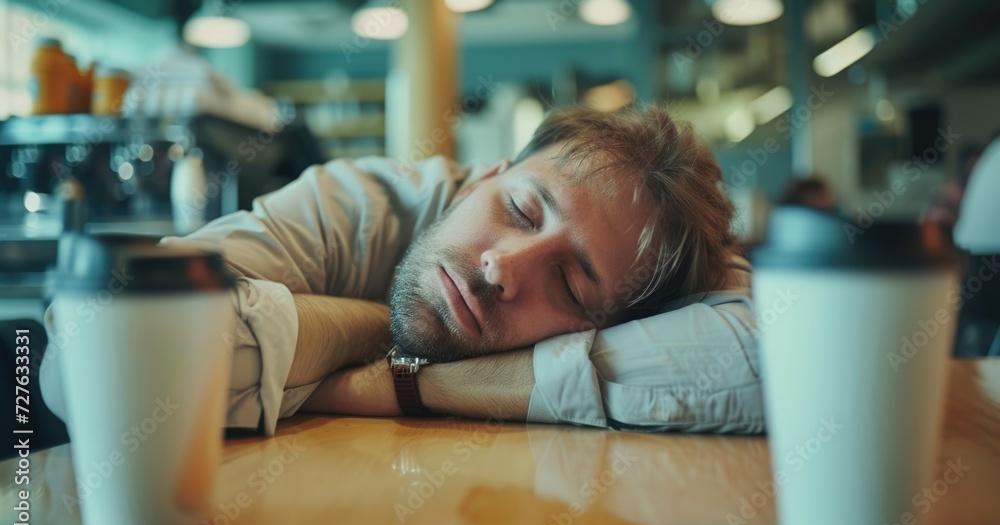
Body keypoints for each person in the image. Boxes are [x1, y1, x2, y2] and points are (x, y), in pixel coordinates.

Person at [39, 105, 763, 436]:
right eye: (519, 209)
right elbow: (97, 356)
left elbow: (771, 361)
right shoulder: (349, 206)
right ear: (486, 174)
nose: (502, 267)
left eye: (573, 286)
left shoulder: (668, 282)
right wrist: (369, 331)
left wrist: (412, 386)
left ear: (622, 323)